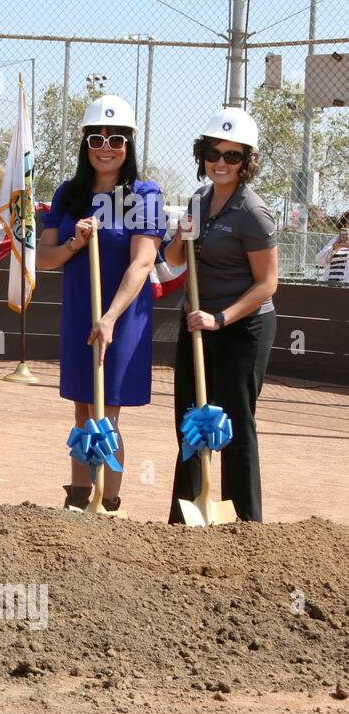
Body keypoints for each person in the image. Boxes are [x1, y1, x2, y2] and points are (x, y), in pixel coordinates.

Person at [36, 95, 165, 512]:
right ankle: (76, 501)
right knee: (81, 411)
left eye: (116, 139)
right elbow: (44, 257)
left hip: (122, 318)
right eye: (96, 138)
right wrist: (76, 242)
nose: (105, 147)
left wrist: (110, 317)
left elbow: (143, 262)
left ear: (129, 144)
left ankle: (107, 504)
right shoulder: (69, 194)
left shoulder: (144, 194)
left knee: (107, 416)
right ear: (85, 144)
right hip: (80, 311)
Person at [163, 106, 278, 523]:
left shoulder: (253, 213)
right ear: (203, 155)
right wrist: (182, 233)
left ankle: (246, 523)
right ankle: (184, 516)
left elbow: (267, 284)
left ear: (247, 162)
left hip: (242, 326)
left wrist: (221, 319)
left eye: (233, 156)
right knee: (192, 417)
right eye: (214, 153)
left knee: (235, 420)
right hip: (197, 322)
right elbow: (176, 260)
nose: (221, 163)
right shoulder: (199, 200)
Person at [314, 211, 349, 283]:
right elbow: (319, 260)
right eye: (348, 223)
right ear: (344, 225)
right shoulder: (336, 240)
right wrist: (334, 248)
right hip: (331, 283)